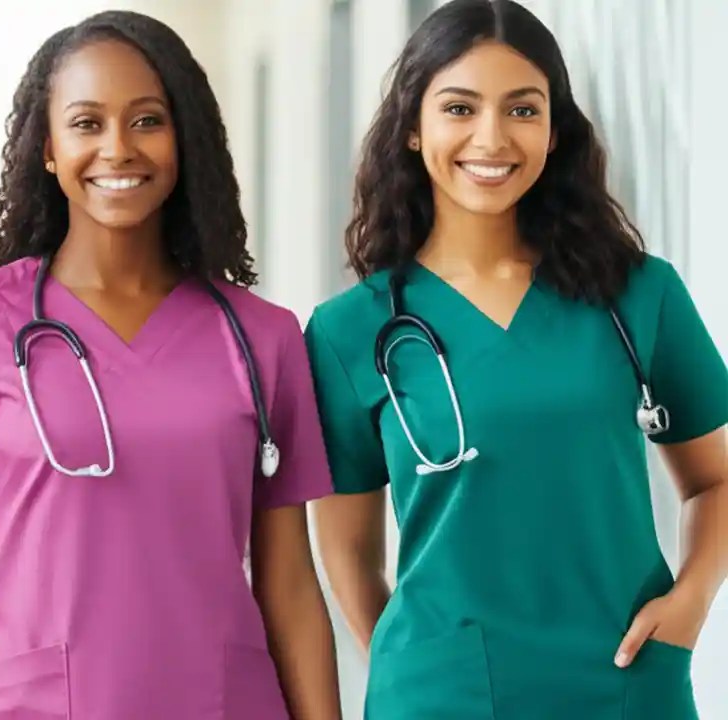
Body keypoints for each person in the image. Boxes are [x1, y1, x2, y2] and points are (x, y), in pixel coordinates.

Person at [0, 10, 342, 720]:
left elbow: (289, 584)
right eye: (87, 123)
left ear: (184, 139)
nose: (118, 149)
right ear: (47, 147)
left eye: (147, 121)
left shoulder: (264, 338)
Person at [305, 1, 728, 718]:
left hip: (625, 681)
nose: (492, 138)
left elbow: (715, 482)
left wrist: (691, 603)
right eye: (460, 108)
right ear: (413, 128)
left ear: (555, 129)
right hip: (443, 694)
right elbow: (347, 550)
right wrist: (417, 668)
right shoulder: (352, 331)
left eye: (523, 110)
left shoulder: (638, 294)